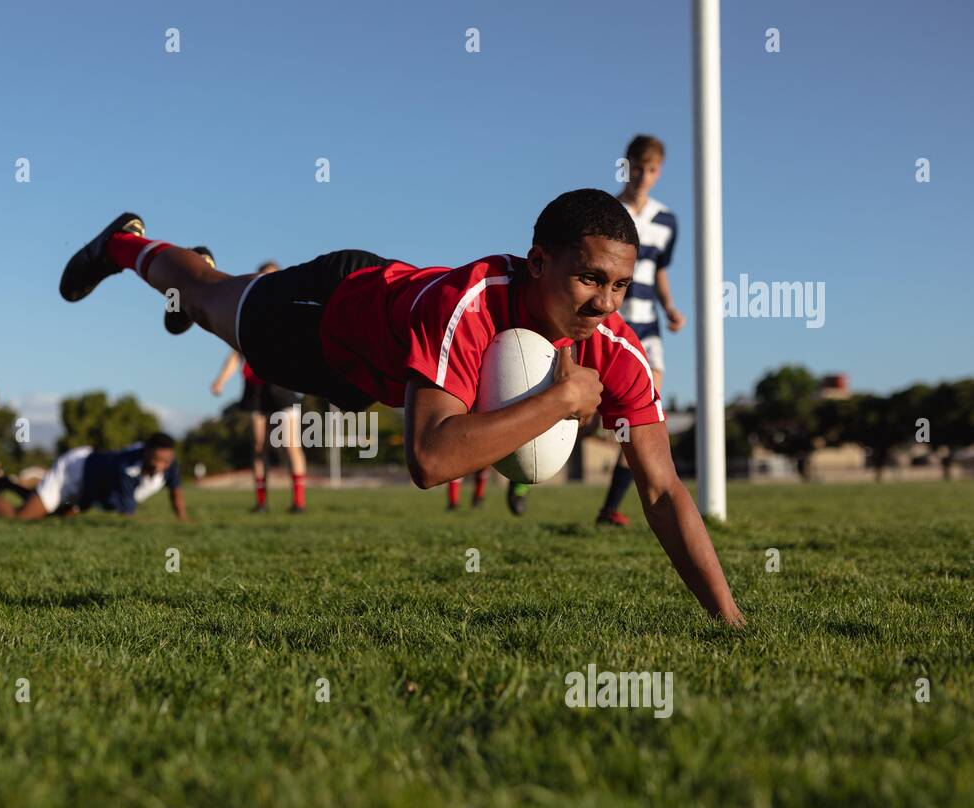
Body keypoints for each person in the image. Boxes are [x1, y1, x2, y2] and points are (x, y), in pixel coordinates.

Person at [57, 189, 743, 624]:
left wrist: (727, 619)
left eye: (620, 285)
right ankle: (123, 244)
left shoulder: (613, 346)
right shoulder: (469, 305)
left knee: (207, 296)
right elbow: (430, 459)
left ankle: (191, 275)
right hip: (325, 317)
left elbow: (661, 489)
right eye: (590, 277)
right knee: (207, 298)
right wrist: (561, 398)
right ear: (538, 263)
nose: (605, 303)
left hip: (377, 359)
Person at [598, 134, 686, 527]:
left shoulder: (667, 220)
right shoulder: (608, 213)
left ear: (659, 172)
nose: (643, 176)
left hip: (647, 325)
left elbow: (660, 270)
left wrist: (670, 308)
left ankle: (609, 508)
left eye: (651, 170)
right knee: (580, 410)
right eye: (637, 168)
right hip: (608, 318)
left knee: (642, 410)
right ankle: (528, 473)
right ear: (626, 165)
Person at [210, 260, 308, 513]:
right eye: (263, 276)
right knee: (258, 446)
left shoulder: (290, 311)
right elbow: (235, 353)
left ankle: (298, 502)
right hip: (255, 389)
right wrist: (221, 379)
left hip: (283, 386)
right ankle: (261, 502)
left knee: (290, 444)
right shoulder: (246, 313)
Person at [0, 433, 187, 522]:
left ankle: (4, 483)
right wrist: (151, 524)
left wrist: (183, 519)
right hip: (75, 470)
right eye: (157, 460)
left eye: (166, 461)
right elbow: (127, 515)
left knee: (55, 514)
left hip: (89, 488)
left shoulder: (169, 463)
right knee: (24, 517)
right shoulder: (126, 468)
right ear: (146, 452)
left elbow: (175, 491)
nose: (162, 466)